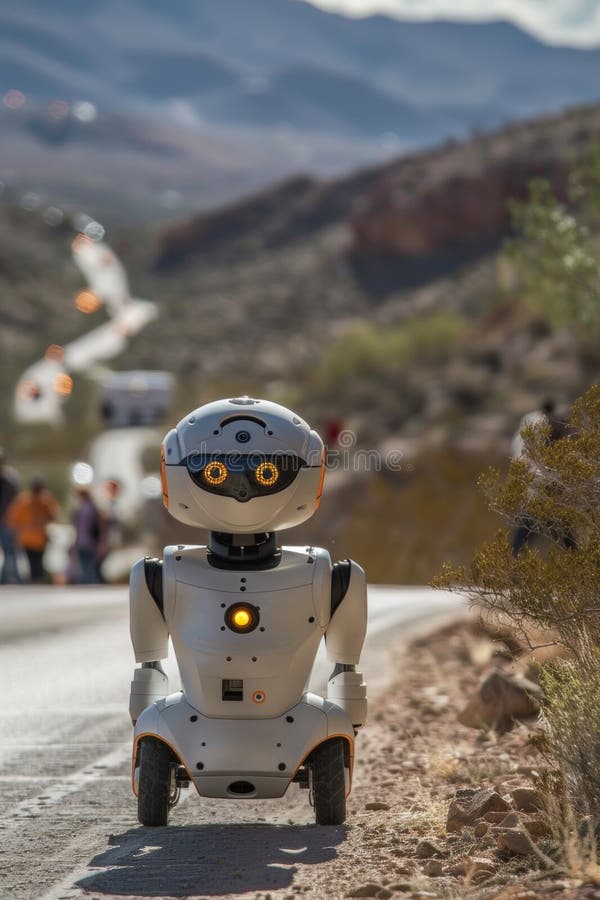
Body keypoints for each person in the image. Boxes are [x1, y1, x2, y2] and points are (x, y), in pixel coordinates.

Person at [510, 399, 574, 555]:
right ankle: (576, 558)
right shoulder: (543, 424)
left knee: (534, 522)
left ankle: (513, 558)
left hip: (531, 479)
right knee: (540, 521)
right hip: (542, 481)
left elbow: (517, 450)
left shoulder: (527, 421)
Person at [6, 476, 60, 583]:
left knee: (38, 562)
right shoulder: (24, 501)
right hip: (28, 540)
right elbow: (12, 520)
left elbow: (54, 515)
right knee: (33, 562)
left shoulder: (45, 500)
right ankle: (35, 579)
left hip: (40, 539)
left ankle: (37, 579)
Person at [72, 486, 104, 584]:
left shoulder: (92, 509)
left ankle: (90, 584)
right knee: (85, 566)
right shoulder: (80, 509)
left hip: (90, 542)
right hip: (83, 542)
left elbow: (99, 526)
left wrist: (101, 542)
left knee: (89, 567)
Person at [0, 448, 21, 584]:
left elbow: (15, 502)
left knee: (9, 551)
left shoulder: (10, 480)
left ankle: (11, 577)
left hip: (7, 521)